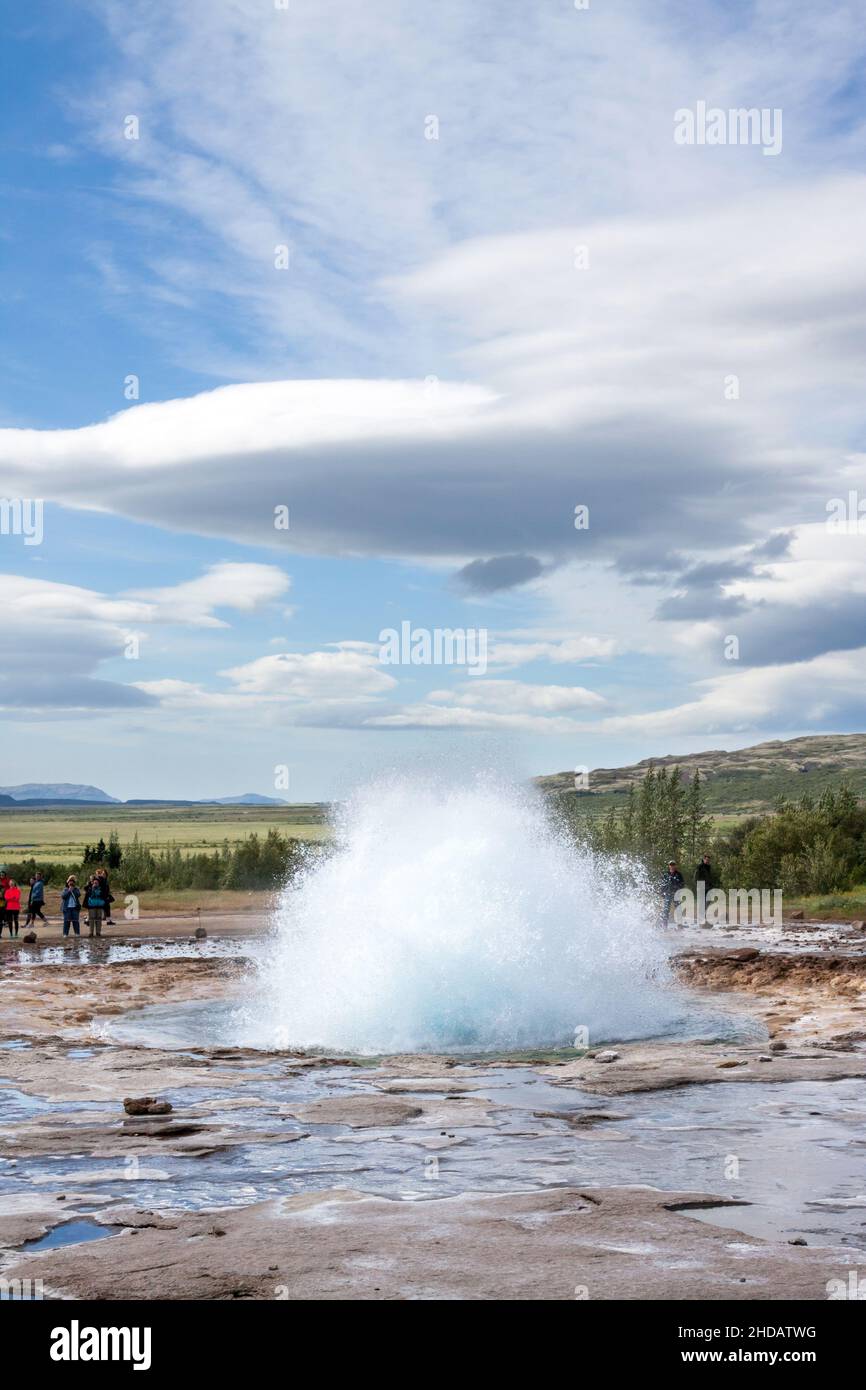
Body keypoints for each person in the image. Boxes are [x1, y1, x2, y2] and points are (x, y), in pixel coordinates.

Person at [659, 860, 685, 926]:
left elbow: (682, 884)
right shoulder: (665, 874)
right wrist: (661, 892)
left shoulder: (679, 874)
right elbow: (662, 885)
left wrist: (677, 887)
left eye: (673, 865)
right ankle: (665, 925)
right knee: (666, 910)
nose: (672, 866)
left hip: (676, 894)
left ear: (675, 866)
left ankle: (680, 925)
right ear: (669, 866)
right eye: (671, 865)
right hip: (668, 894)